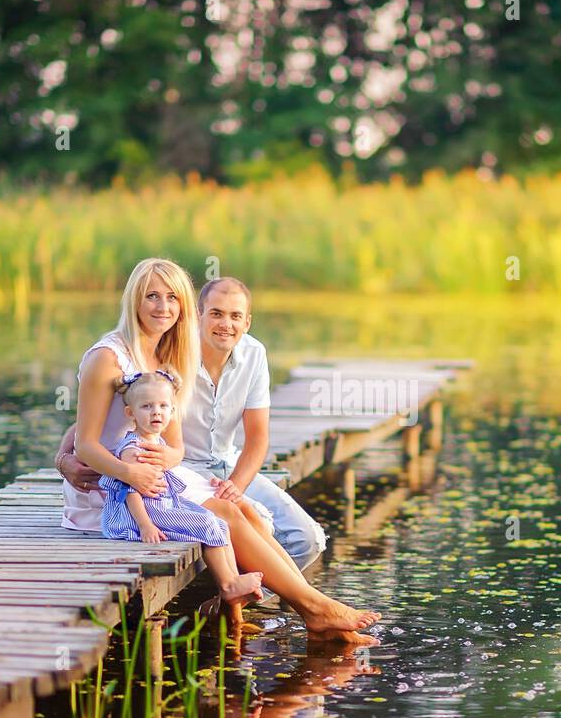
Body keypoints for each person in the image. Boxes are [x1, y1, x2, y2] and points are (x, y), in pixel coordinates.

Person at [58, 257, 378, 642]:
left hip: (161, 477)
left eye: (172, 297)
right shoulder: (107, 358)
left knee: (247, 512)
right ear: (134, 300)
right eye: (152, 297)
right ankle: (314, 609)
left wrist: (167, 459)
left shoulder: (163, 357)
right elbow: (85, 439)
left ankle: (309, 610)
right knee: (226, 512)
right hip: (117, 493)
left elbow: (174, 447)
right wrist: (120, 471)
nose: (163, 307)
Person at [184, 276, 328, 571]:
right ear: (199, 316)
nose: (226, 324)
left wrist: (235, 486)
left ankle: (234, 602)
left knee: (308, 539)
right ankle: (232, 594)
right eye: (216, 313)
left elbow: (257, 439)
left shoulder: (254, 354)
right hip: (184, 472)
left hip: (228, 465)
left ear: (247, 322)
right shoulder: (174, 350)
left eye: (235, 316)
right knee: (256, 526)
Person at [97, 369, 264, 609]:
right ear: (130, 413)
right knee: (205, 524)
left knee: (217, 521)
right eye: (146, 407)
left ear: (172, 411)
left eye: (163, 406)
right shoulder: (133, 449)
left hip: (163, 502)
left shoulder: (157, 441)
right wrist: (146, 526)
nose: (156, 412)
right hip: (145, 512)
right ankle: (227, 585)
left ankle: (232, 580)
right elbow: (130, 491)